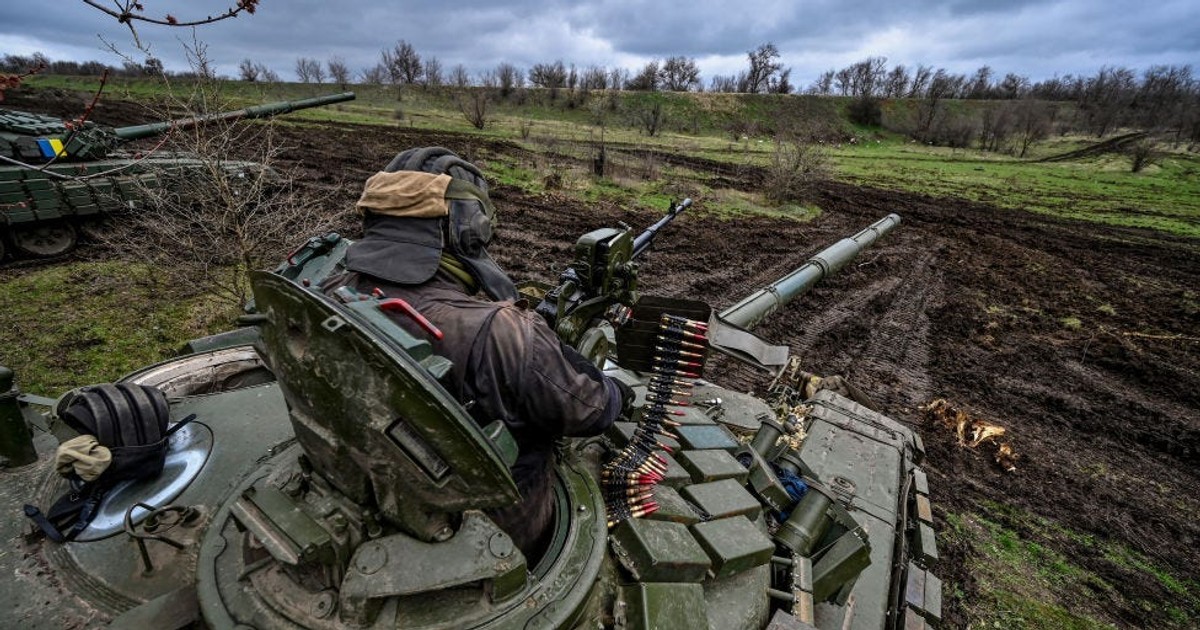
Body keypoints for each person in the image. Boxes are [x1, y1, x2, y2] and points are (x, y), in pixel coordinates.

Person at [322, 147, 630, 559]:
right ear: (468, 227)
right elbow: (590, 409)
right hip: (494, 534)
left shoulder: (327, 291)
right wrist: (619, 392)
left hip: (370, 490)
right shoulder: (501, 333)